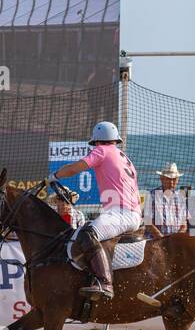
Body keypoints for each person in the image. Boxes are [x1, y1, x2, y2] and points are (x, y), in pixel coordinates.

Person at [48, 121, 141, 300]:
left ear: (98, 141)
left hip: (121, 213)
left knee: (88, 233)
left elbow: (75, 168)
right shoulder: (124, 156)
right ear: (115, 139)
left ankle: (104, 283)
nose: (95, 146)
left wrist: (55, 175)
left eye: (96, 143)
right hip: (132, 213)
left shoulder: (102, 150)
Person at [147, 162, 188, 237]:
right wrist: (162, 239)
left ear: (178, 180)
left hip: (175, 241)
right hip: (157, 242)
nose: (171, 182)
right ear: (162, 178)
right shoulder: (152, 195)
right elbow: (148, 222)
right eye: (169, 179)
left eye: (174, 179)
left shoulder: (181, 197)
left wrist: (176, 238)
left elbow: (184, 224)